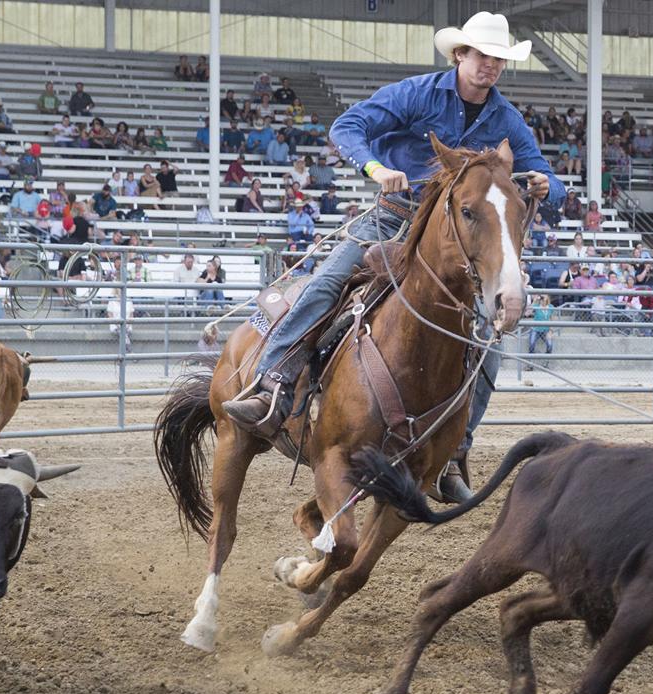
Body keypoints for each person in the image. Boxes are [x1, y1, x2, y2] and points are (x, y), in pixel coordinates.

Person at [222, 11, 563, 504]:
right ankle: (270, 386)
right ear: (460, 55)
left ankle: (450, 452)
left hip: (453, 242)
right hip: (394, 217)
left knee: (490, 343)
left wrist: (545, 182)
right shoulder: (419, 93)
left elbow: (540, 169)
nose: (489, 66)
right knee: (328, 282)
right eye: (482, 56)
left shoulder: (506, 117)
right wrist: (377, 167)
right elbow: (349, 124)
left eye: (498, 59)